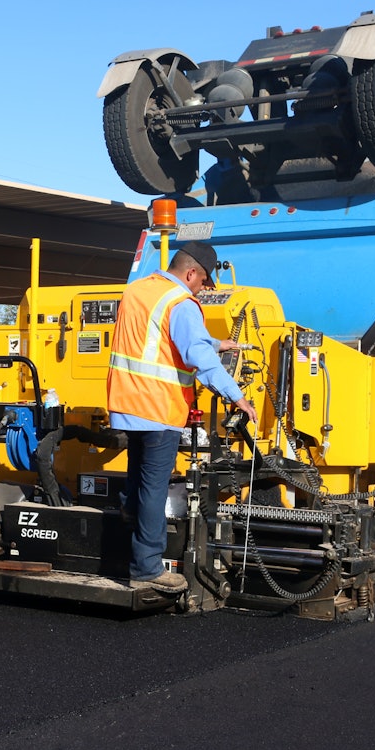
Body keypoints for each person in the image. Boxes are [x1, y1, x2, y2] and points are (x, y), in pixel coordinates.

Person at [108, 241, 258, 592]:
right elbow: (197, 358)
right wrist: (237, 397)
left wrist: (214, 342)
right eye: (203, 282)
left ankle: (129, 520)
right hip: (159, 407)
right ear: (191, 273)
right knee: (154, 487)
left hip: (127, 402)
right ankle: (147, 568)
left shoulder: (138, 290)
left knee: (136, 477)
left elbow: (160, 337)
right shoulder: (181, 303)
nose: (203, 289)